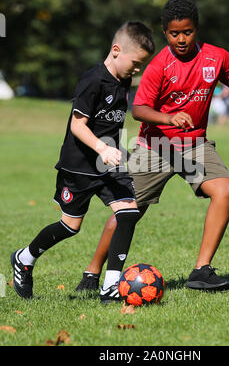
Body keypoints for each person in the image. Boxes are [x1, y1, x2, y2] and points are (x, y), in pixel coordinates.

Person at [76, 0, 229, 294]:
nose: (181, 39)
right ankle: (91, 274)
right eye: (174, 33)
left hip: (195, 146)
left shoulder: (217, 59)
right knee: (128, 211)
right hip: (155, 148)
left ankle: (201, 271)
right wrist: (168, 117)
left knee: (225, 189)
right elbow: (138, 109)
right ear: (165, 33)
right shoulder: (159, 65)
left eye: (187, 32)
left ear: (196, 29)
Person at [10, 21, 155, 302]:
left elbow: (111, 123)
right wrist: (102, 148)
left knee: (128, 213)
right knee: (69, 227)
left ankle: (110, 285)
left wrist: (117, 151)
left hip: (109, 165)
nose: (137, 70)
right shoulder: (92, 80)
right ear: (116, 50)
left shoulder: (123, 81)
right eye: (136, 63)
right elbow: (78, 126)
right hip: (78, 167)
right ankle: (24, 258)